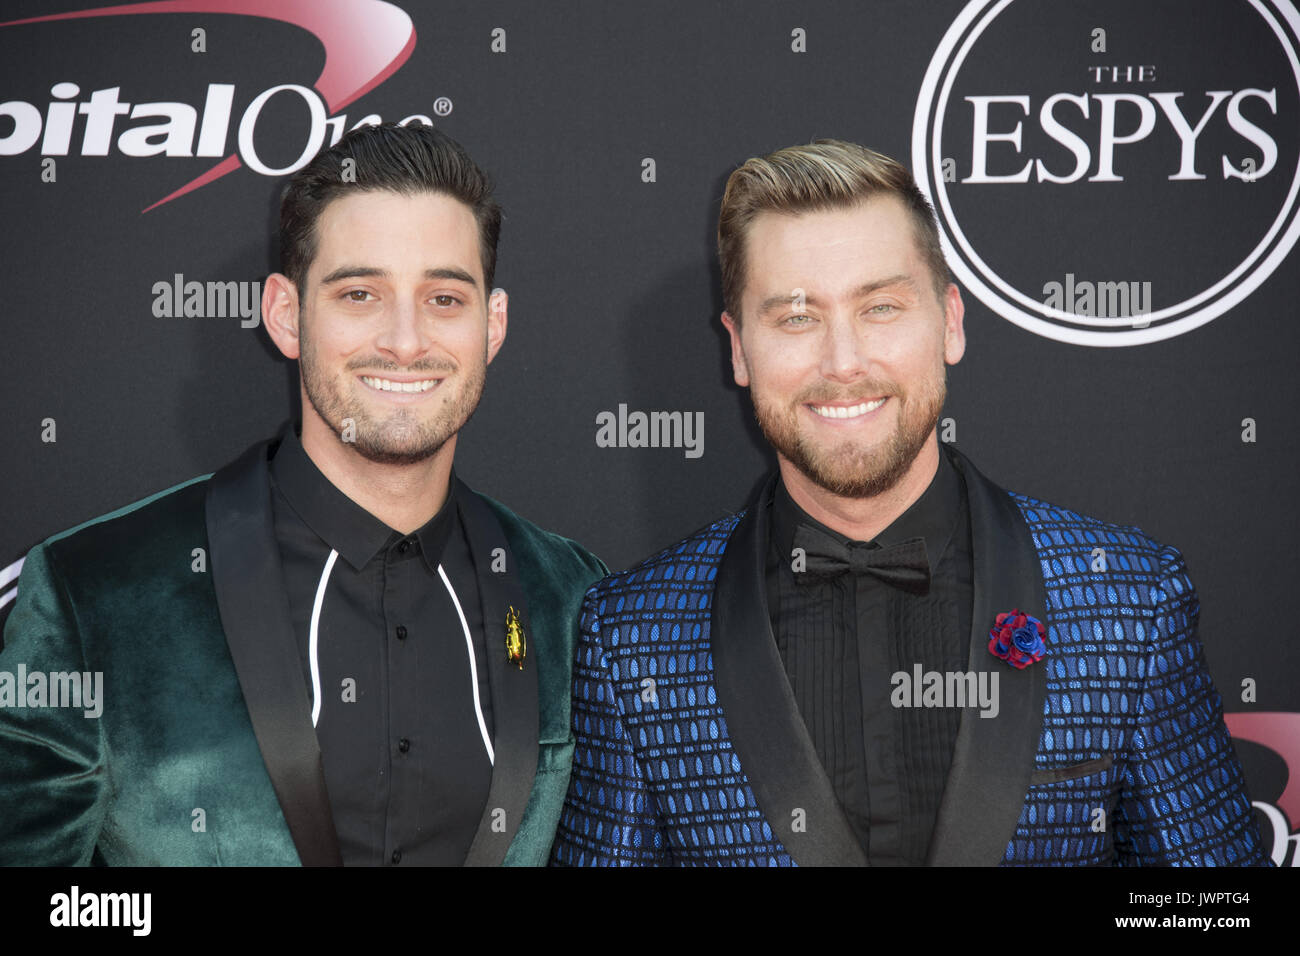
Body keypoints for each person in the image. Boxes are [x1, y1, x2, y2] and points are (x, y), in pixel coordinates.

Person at [550, 139, 1269, 866]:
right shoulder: (631, 636)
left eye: (881, 307)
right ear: (738, 349)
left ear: (950, 321)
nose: (843, 362)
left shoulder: (1128, 604)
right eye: (796, 318)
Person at [0, 122, 605, 866]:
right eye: (360, 293)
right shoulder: (94, 595)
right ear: (286, 315)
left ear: (493, 325)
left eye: (445, 298)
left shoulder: (570, 594)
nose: (407, 341)